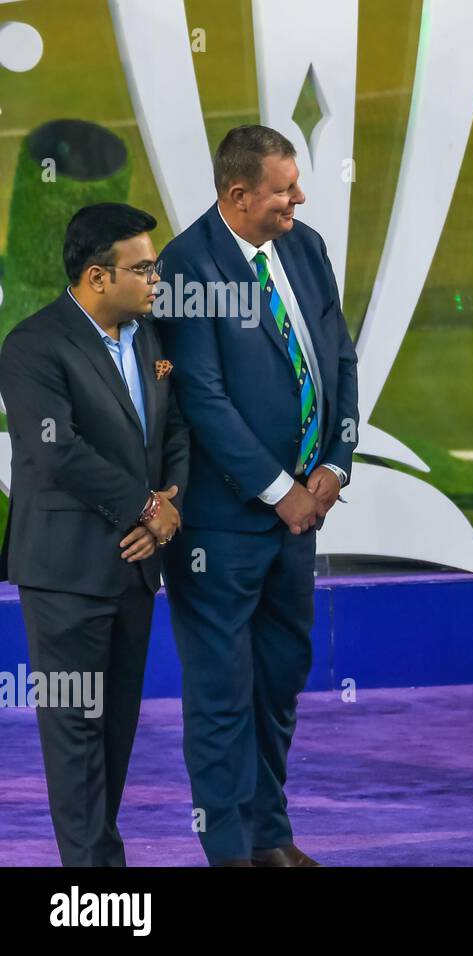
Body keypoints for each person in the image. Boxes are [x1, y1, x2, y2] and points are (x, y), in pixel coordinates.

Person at [155, 125, 358, 867]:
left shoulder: (303, 247)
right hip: (221, 528)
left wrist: (336, 462)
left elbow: (339, 355)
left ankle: (271, 838)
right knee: (221, 696)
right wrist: (281, 492)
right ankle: (230, 852)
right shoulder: (185, 266)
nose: (299, 199)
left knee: (277, 683)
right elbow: (202, 399)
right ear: (238, 196)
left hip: (299, 520)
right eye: (283, 189)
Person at [0, 203, 188, 866]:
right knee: (75, 735)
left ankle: (99, 866)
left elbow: (176, 430)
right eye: (142, 269)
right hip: (66, 577)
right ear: (96, 278)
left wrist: (168, 508)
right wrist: (144, 505)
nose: (157, 279)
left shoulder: (155, 344)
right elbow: (58, 452)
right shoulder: (32, 347)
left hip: (136, 571)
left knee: (114, 734)